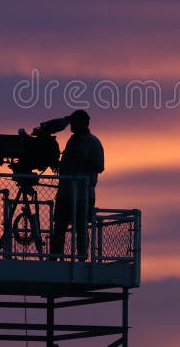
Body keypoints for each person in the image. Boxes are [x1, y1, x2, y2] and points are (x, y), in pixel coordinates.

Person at [47, 109, 104, 260]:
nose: (71, 125)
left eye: (74, 122)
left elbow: (100, 166)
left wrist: (83, 158)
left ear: (83, 123)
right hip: (65, 193)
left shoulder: (93, 143)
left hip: (82, 195)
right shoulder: (72, 141)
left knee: (81, 228)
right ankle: (54, 257)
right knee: (59, 227)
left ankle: (81, 257)